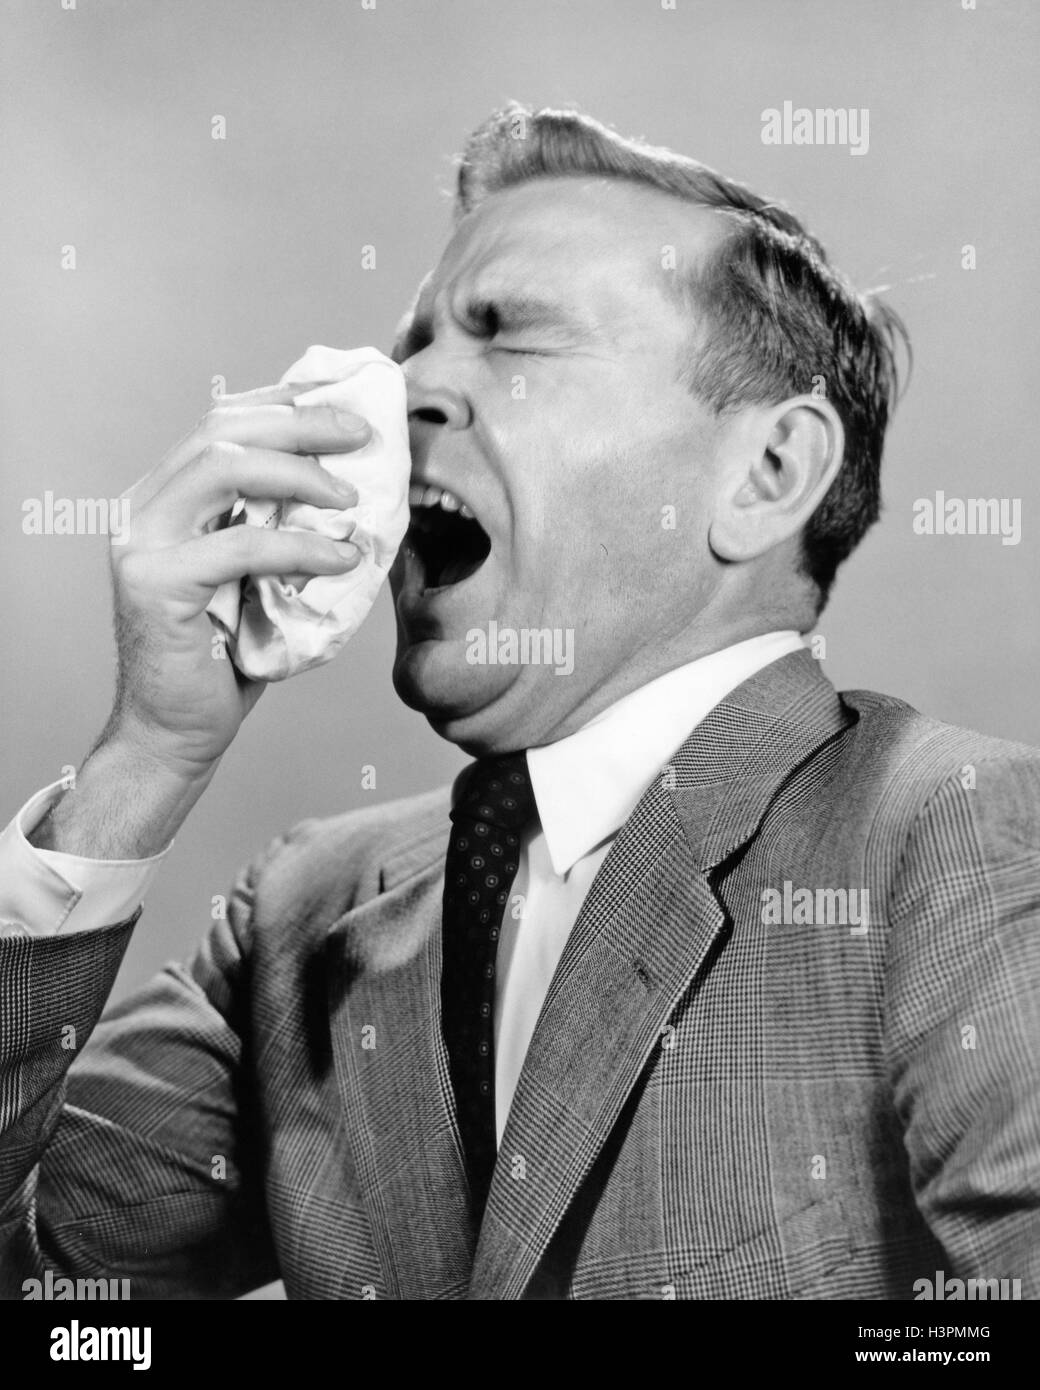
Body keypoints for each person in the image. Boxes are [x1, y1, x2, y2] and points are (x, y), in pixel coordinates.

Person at [1, 106, 1038, 1301]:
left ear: (765, 475)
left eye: (509, 339)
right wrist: (148, 757)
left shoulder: (958, 840)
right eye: (414, 345)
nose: (405, 391)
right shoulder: (303, 913)